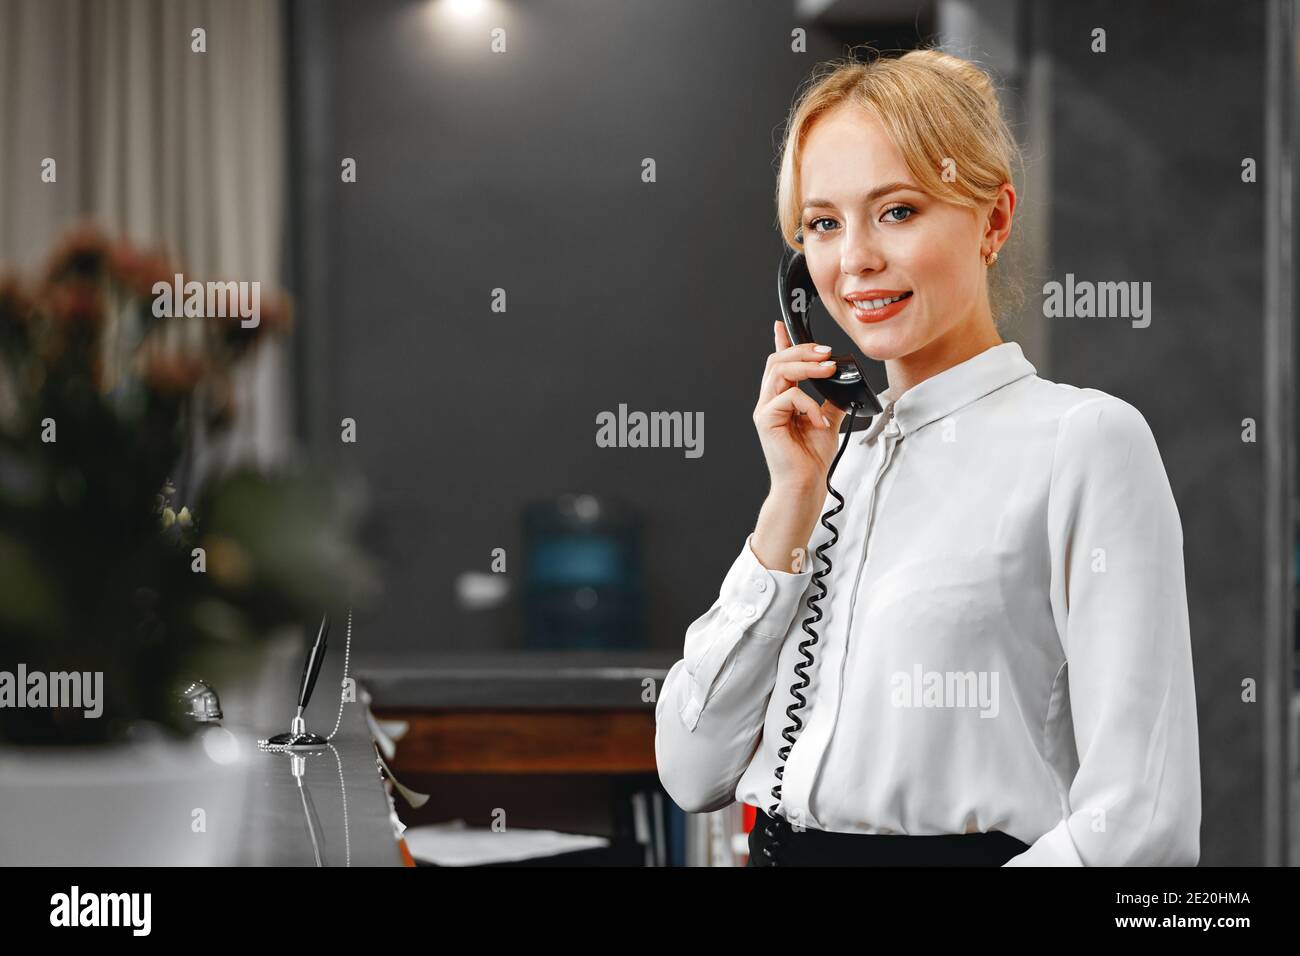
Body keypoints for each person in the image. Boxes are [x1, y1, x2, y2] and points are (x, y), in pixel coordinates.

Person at [653, 47, 1201, 866]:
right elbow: (692, 771)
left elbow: (1142, 820)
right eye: (823, 224)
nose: (855, 260)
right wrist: (789, 506)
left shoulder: (1085, 442)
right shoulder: (833, 464)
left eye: (898, 211)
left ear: (994, 219)